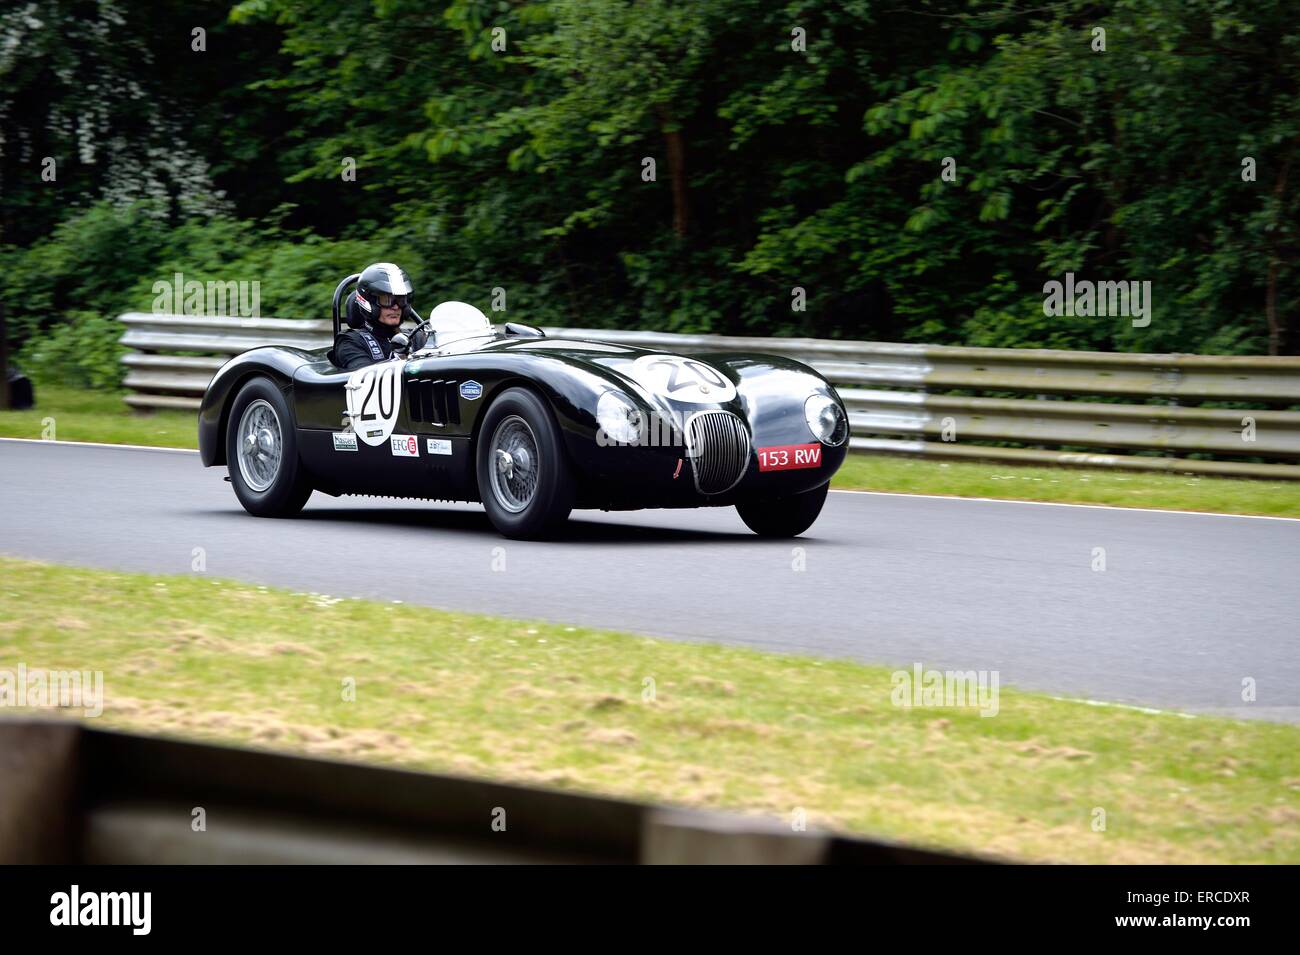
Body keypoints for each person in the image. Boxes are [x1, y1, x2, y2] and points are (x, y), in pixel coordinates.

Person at [334, 262, 414, 370]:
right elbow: (362, 378)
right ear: (369, 302)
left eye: (400, 300)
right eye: (387, 300)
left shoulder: (416, 337)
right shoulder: (350, 342)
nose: (395, 307)